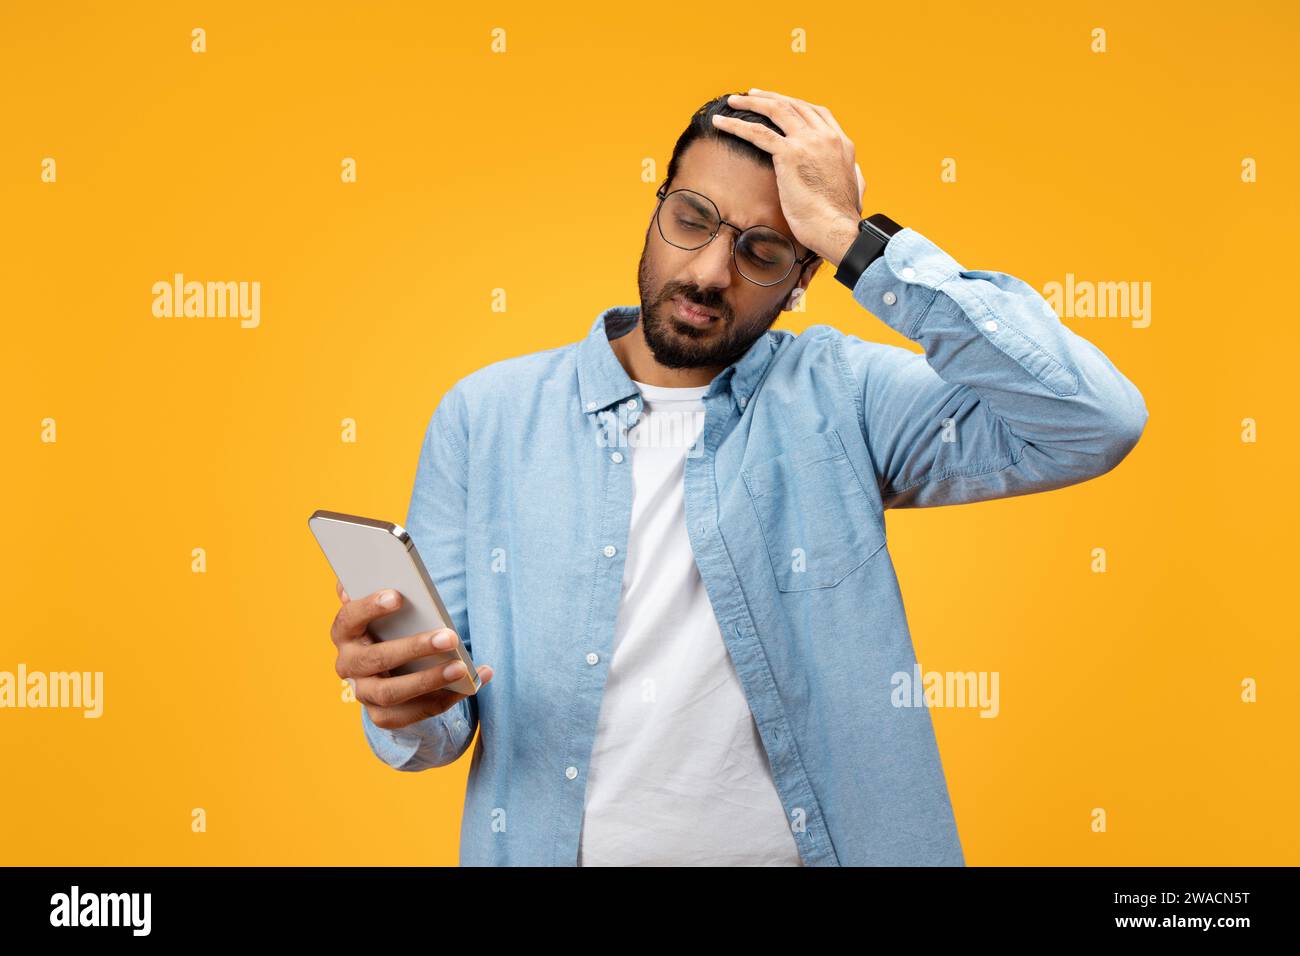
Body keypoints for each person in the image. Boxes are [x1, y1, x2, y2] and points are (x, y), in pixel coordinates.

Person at [327, 88, 1148, 866]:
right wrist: (403, 705)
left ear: (803, 277)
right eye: (693, 220)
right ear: (656, 209)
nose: (713, 273)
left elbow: (1093, 421)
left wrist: (862, 243)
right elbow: (438, 717)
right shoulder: (487, 416)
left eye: (763, 251)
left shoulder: (847, 397)